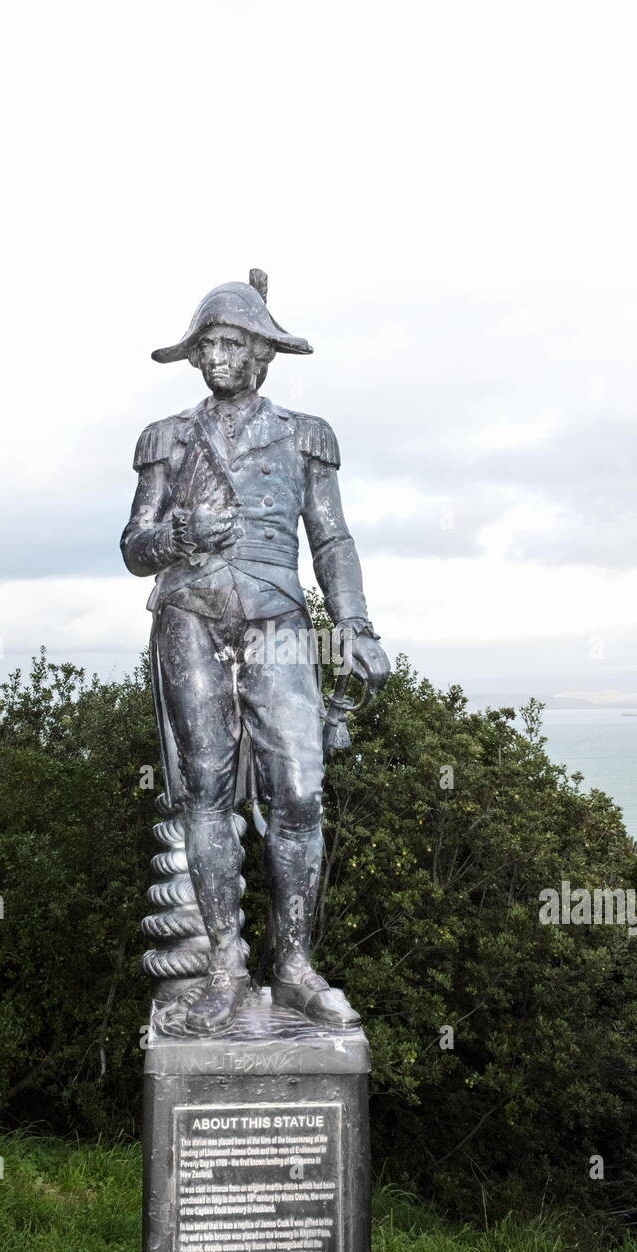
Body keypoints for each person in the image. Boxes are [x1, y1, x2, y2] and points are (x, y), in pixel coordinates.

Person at [121, 270, 390, 1034]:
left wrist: (356, 626)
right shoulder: (166, 438)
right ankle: (223, 969)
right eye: (207, 345)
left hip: (278, 619)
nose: (216, 357)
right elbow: (135, 545)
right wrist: (175, 537)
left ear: (262, 354)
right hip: (190, 617)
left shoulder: (306, 434)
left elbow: (331, 539)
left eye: (231, 343)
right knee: (203, 791)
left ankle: (297, 966)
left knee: (299, 792)